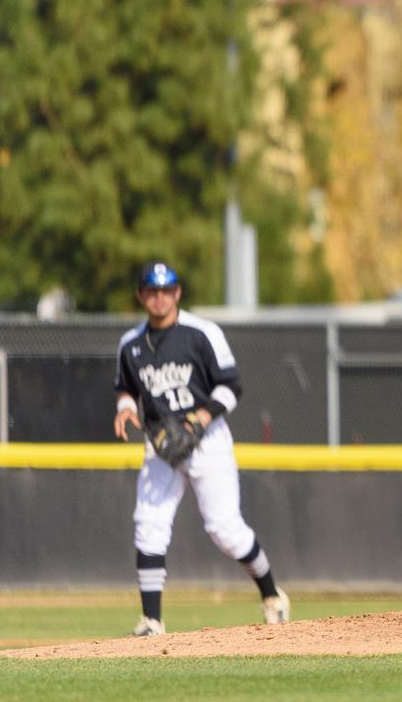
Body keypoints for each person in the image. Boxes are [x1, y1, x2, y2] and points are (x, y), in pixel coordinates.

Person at [112, 261, 290, 636]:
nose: (159, 297)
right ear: (141, 296)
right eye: (151, 291)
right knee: (149, 522)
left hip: (207, 442)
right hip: (160, 443)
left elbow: (230, 386)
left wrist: (201, 418)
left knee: (225, 529)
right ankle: (151, 620)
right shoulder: (130, 344)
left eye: (166, 290)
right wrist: (126, 408)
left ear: (177, 293)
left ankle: (272, 594)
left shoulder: (201, 333)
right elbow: (126, 387)